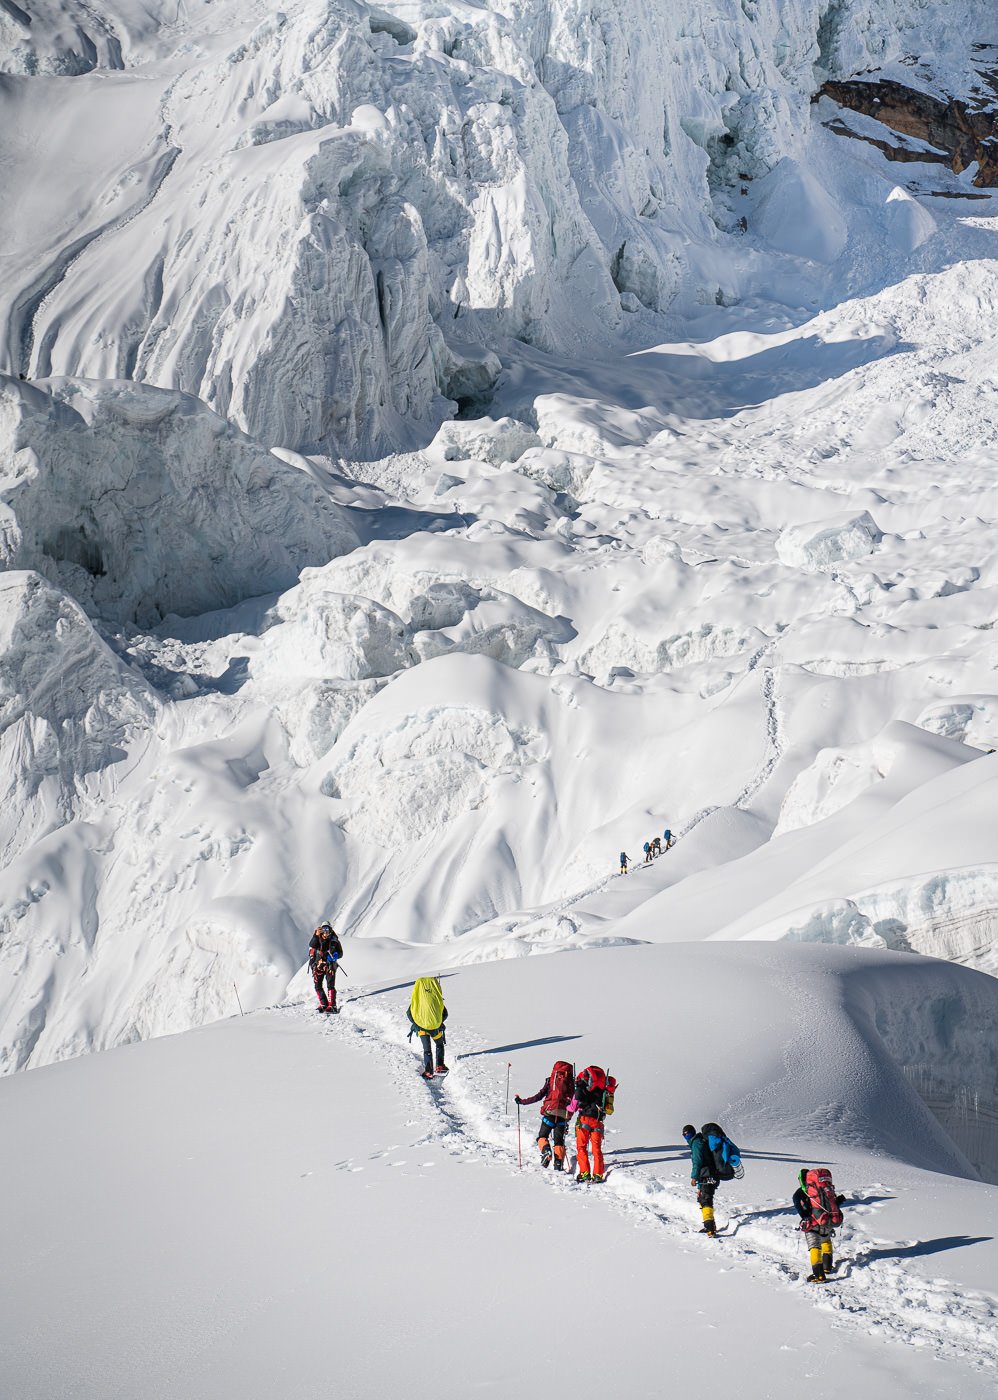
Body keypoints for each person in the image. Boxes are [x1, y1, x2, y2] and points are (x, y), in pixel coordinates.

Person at [683, 1122, 742, 1234]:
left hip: (707, 1174)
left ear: (692, 1133)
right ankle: (710, 1225)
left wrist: (694, 1177)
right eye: (684, 1135)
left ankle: (709, 1228)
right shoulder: (701, 1141)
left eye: (687, 1134)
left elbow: (698, 1162)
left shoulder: (697, 1143)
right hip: (710, 1174)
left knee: (705, 1199)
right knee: (704, 1198)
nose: (686, 1137)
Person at [515, 1061, 575, 1171]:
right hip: (563, 1115)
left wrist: (522, 1101)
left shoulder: (551, 1080)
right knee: (559, 1141)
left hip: (550, 1112)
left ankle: (546, 1151)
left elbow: (539, 1096)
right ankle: (558, 1165)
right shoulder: (571, 1082)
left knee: (542, 1136)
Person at [793, 1167, 845, 1283]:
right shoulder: (823, 1188)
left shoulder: (803, 1191)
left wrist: (805, 1217)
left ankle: (819, 1275)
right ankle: (827, 1267)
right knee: (826, 1241)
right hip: (827, 1220)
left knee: (814, 1246)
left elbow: (797, 1203)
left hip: (813, 1223)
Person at [568, 1066, 617, 1183]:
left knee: (582, 1147)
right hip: (598, 1121)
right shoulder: (603, 1090)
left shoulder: (583, 1087)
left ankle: (584, 1173)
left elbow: (572, 1107)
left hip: (584, 1119)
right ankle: (598, 1174)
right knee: (597, 1149)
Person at [407, 976, 448, 1079]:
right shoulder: (436, 999)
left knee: (427, 1049)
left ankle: (429, 1072)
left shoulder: (417, 1000)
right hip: (435, 1028)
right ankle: (439, 1066)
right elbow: (445, 1014)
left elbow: (409, 1013)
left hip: (421, 1028)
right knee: (439, 1044)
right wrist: (438, 1022)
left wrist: (417, 1023)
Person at [309, 921, 343, 1013]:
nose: (325, 931)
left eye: (327, 929)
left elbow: (341, 953)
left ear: (330, 929)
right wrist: (316, 935)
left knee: (330, 985)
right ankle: (324, 1004)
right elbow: (311, 945)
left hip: (330, 965)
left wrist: (336, 955)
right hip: (318, 965)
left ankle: (332, 1006)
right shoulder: (317, 938)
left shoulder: (334, 940)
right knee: (317, 985)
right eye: (323, 929)